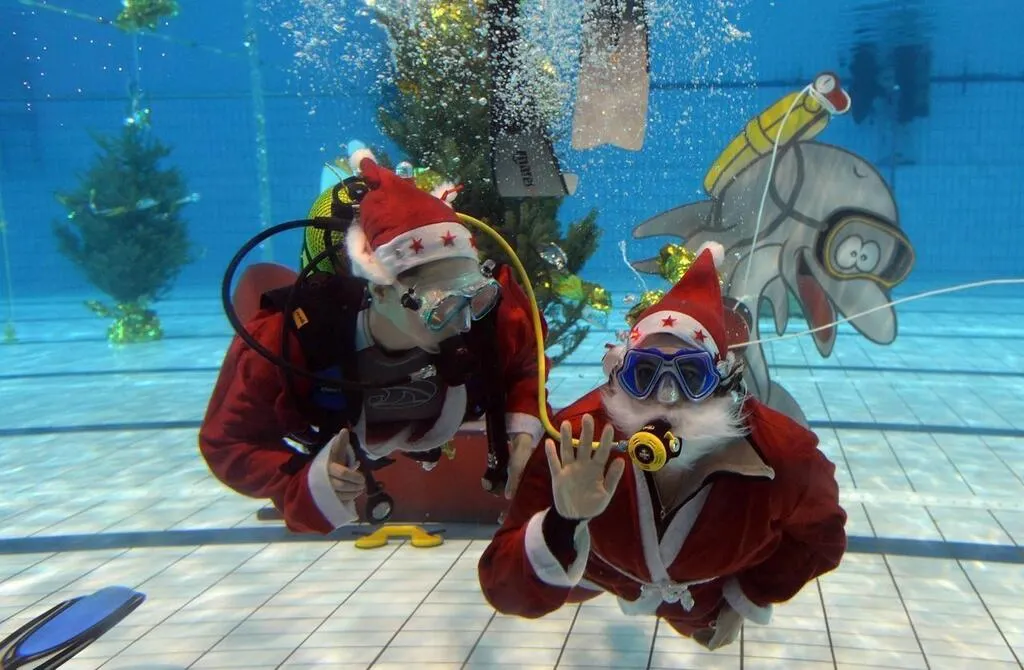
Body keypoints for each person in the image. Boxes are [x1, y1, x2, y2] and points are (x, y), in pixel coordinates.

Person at [477, 244, 847, 650]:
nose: (667, 397)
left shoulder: (782, 453)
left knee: (702, 627)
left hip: (705, 594)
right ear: (619, 373)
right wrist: (562, 522)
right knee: (565, 582)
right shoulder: (575, 438)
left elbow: (821, 537)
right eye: (646, 373)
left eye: (691, 374)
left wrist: (747, 597)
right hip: (601, 569)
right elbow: (502, 587)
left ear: (722, 381)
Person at [199, 157, 549, 534]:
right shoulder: (288, 342)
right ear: (380, 288)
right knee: (258, 293)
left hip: (403, 412)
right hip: (325, 388)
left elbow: (524, 365)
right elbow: (227, 441)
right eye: (441, 306)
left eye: (475, 297)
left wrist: (523, 432)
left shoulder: (495, 318)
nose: (463, 320)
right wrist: (300, 482)